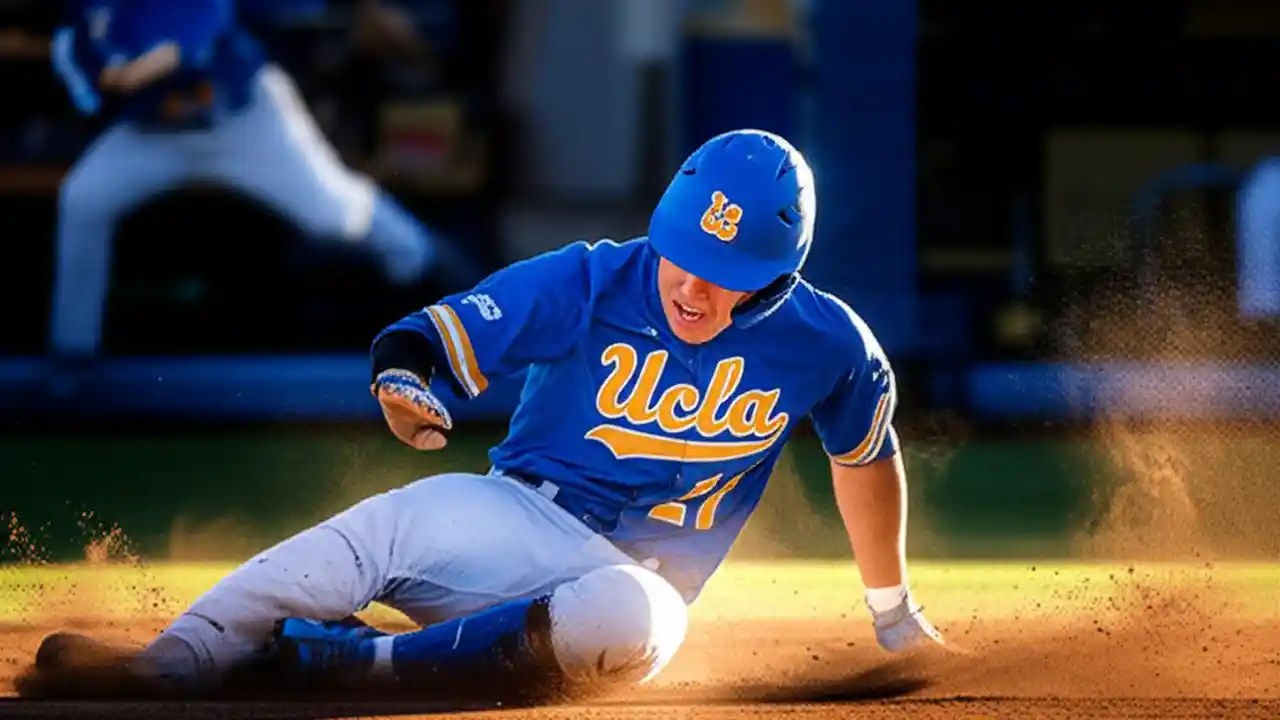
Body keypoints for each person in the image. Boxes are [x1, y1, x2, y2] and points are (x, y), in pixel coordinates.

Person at [37, 129, 944, 699]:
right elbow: (425, 335)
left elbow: (865, 458)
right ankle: (177, 660)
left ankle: (345, 663)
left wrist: (892, 609)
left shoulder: (829, 343)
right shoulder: (595, 278)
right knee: (389, 524)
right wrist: (404, 378)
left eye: (725, 276)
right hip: (518, 518)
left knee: (632, 620)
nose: (690, 287)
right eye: (680, 254)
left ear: (778, 279)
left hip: (636, 586)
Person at [46, 0, 464, 358]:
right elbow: (79, 69)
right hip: (152, 135)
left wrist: (129, 72)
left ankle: (431, 264)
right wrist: (104, 78)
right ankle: (73, 357)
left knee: (335, 214)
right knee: (83, 200)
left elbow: (188, 40)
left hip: (245, 120)